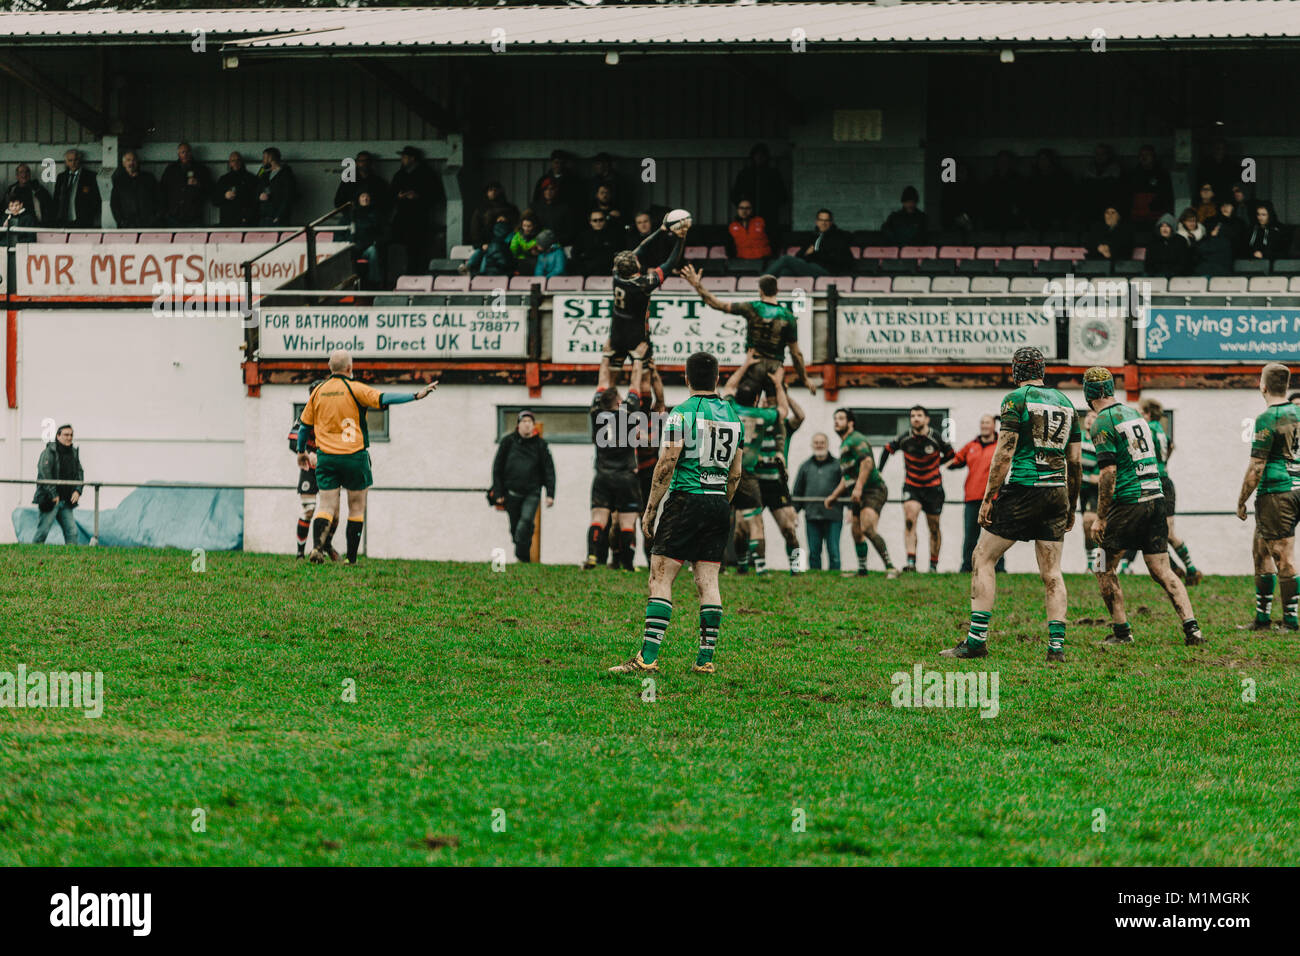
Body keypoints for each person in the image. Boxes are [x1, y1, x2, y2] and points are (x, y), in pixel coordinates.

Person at [608, 351, 743, 675]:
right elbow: (736, 473)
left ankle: (647, 658)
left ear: (686, 378)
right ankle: (704, 660)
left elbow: (667, 461)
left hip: (685, 500)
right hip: (718, 503)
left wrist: (651, 508)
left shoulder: (681, 414)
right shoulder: (733, 417)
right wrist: (720, 501)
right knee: (708, 580)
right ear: (717, 378)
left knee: (660, 576)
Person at [943, 347, 1080, 661]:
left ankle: (976, 641)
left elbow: (1004, 452)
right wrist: (1071, 504)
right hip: (1056, 491)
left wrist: (989, 497)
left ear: (1015, 371)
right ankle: (1056, 649)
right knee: (1052, 572)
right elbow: (1074, 462)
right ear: (1043, 371)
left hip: (1023, 489)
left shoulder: (1015, 400)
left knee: (982, 556)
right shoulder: (1067, 403)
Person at [1087, 368, 1204, 647]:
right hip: (1156, 500)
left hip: (1129, 503)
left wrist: (1101, 517)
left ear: (1088, 393)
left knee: (1102, 565)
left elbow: (1109, 473)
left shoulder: (1102, 421)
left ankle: (1122, 633)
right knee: (1161, 569)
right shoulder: (1133, 415)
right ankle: (1193, 630)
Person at [296, 351, 437, 565]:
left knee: (326, 506)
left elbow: (304, 426)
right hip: (354, 457)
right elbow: (384, 398)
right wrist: (415, 395)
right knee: (356, 507)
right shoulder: (356, 388)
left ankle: (316, 548)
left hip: (327, 458)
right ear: (350, 369)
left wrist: (301, 451)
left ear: (329, 367)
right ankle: (351, 559)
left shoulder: (318, 392)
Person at [680, 266, 815, 404]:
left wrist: (697, 285)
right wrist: (804, 379)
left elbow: (716, 304)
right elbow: (796, 354)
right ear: (777, 291)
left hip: (754, 365)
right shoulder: (788, 317)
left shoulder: (752, 308)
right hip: (775, 368)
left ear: (760, 290)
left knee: (744, 410)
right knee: (776, 413)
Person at [1237, 363, 1300, 631]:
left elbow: (1256, 467)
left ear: (1262, 385)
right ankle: (1262, 618)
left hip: (1277, 492)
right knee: (1260, 549)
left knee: (1281, 555)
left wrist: (1241, 499)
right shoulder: (1297, 412)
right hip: (1293, 487)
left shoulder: (1267, 417)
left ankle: (1290, 620)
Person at [607, 214, 688, 409]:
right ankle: (649, 411)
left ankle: (610, 408)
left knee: (611, 376)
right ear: (636, 267)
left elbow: (641, 249)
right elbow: (669, 265)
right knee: (646, 376)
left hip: (617, 334)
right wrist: (681, 238)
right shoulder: (643, 284)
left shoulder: (617, 275)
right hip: (637, 335)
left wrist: (661, 231)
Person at [723, 364, 788, 575]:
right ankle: (760, 566)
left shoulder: (729, 408)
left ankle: (715, 563)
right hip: (747, 473)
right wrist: (778, 384)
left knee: (721, 518)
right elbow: (784, 411)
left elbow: (728, 388)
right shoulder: (762, 415)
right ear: (755, 400)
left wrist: (746, 364)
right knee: (755, 521)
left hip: (724, 472)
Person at [586, 354, 645, 571]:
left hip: (603, 475)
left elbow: (603, 381)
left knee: (598, 518)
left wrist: (605, 357)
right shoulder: (628, 411)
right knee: (628, 522)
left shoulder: (595, 411)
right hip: (626, 476)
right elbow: (635, 383)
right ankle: (628, 564)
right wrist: (637, 360)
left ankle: (592, 557)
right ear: (618, 402)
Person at [879, 406, 955, 573]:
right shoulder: (905, 438)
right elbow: (887, 450)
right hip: (912, 485)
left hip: (933, 488)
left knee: (933, 526)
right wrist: (879, 472)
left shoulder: (936, 438)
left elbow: (951, 455)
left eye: (919, 415)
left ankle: (933, 565)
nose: (915, 418)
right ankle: (911, 562)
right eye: (913, 416)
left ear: (927, 419)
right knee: (910, 520)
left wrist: (937, 465)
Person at [823, 408, 897, 577]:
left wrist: (858, 487)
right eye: (835, 418)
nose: (836, 421)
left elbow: (868, 462)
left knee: (868, 528)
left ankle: (891, 567)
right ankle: (862, 570)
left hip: (873, 489)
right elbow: (848, 477)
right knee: (856, 531)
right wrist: (834, 496)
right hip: (859, 491)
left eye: (841, 418)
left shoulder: (856, 439)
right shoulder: (845, 443)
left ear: (850, 423)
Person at [1140, 398, 1201, 584]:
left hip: (1154, 482)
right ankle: (1184, 568)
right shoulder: (1162, 432)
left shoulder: (1147, 430)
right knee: (1163, 531)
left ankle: (1184, 569)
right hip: (1166, 480)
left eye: (1141, 413)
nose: (1140, 416)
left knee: (1154, 531)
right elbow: (1171, 447)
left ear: (1148, 414)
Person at [490, 410, 556, 564]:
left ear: (533, 426)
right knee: (515, 529)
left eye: (530, 422)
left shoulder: (541, 445)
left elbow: (549, 470)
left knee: (525, 522)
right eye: (524, 421)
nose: (527, 425)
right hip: (511, 492)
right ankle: (523, 556)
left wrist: (550, 494)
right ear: (518, 425)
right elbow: (497, 468)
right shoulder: (508, 442)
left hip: (532, 492)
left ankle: (522, 555)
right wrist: (498, 492)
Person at [287, 382, 338, 560]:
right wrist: (308, 455)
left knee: (333, 512)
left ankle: (324, 547)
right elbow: (293, 441)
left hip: (329, 469)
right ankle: (300, 553)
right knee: (308, 509)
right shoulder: (305, 414)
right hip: (310, 470)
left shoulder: (334, 414)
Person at [948, 414, 1004, 574]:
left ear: (994, 425)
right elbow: (955, 461)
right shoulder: (971, 445)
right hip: (972, 498)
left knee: (997, 535)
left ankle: (999, 568)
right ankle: (966, 567)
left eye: (987, 423)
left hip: (995, 499)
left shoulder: (1002, 444)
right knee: (970, 535)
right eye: (982, 423)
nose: (984, 426)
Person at [793, 432, 844, 571]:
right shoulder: (805, 467)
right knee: (814, 553)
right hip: (812, 516)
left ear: (827, 444)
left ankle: (835, 580)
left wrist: (851, 509)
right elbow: (798, 491)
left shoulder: (838, 465)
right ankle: (815, 579)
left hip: (833, 516)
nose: (819, 445)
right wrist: (794, 512)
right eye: (816, 442)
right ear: (812, 445)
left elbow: (847, 488)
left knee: (834, 552)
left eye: (822, 442)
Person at [389, 145, 438, 272]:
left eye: (405, 157)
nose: (402, 160)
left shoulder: (427, 174)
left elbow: (436, 195)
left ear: (413, 159)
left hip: (419, 218)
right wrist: (399, 196)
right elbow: (390, 195)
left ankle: (416, 275)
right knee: (397, 248)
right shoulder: (400, 175)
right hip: (402, 217)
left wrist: (418, 196)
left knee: (418, 250)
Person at [32, 424, 83, 545]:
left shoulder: (74, 453)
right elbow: (44, 473)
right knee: (42, 532)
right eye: (66, 434)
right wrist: (53, 494)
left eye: (71, 435)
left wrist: (78, 490)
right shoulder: (49, 452)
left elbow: (80, 473)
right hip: (51, 500)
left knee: (72, 532)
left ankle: (72, 560)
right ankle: (32, 557)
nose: (69, 437)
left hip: (66, 501)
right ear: (58, 436)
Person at [764, 208, 853, 277]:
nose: (823, 223)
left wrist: (815, 253)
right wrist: (807, 254)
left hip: (826, 270)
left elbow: (838, 259)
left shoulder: (838, 238)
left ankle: (761, 282)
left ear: (831, 222)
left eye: (826, 220)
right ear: (817, 222)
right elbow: (799, 255)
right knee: (784, 272)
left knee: (786, 259)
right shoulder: (812, 237)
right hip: (810, 267)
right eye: (821, 220)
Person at [729, 143, 787, 230]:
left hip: (769, 218)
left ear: (766, 157)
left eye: (762, 155)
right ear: (753, 157)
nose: (759, 158)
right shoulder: (745, 174)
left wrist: (771, 205)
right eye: (757, 155)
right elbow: (734, 195)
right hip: (748, 217)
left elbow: (783, 195)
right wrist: (744, 207)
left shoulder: (773, 174)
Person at [159, 142, 214, 227]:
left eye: (187, 152)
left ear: (191, 153)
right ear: (178, 154)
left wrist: (198, 184)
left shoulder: (201, 169)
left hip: (194, 216)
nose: (185, 155)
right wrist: (165, 212)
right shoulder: (171, 170)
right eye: (183, 152)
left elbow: (210, 189)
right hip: (173, 216)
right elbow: (162, 190)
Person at [109, 151, 160, 228]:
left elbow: (159, 199)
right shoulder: (119, 181)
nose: (131, 163)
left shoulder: (149, 178)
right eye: (128, 160)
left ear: (137, 162)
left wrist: (154, 219)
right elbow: (114, 204)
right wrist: (121, 222)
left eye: (134, 160)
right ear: (123, 164)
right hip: (127, 226)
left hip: (148, 225)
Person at [1079, 409, 1102, 572]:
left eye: (1094, 417)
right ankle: (1090, 565)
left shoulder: (1100, 441)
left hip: (1096, 490)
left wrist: (1084, 474)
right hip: (1081, 489)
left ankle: (1099, 564)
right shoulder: (1078, 437)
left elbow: (1097, 476)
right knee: (1086, 526)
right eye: (1088, 416)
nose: (1089, 419)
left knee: (1092, 523)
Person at [53, 149, 100, 227]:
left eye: (75, 160)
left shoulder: (90, 176)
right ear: (66, 162)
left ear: (80, 160)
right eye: (70, 160)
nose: (73, 163)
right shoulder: (61, 177)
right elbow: (56, 197)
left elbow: (96, 198)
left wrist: (90, 214)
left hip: (83, 220)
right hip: (63, 219)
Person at [571, 206, 622, 277]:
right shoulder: (583, 237)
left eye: (601, 220)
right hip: (587, 274)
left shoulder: (614, 236)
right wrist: (582, 271)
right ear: (590, 222)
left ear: (605, 220)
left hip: (608, 274)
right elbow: (575, 255)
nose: (598, 222)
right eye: (595, 220)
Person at [213, 152, 259, 227]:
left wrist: (248, 217)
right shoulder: (223, 179)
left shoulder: (251, 178)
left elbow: (256, 200)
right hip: (227, 221)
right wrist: (225, 196)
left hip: (247, 221)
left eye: (238, 160)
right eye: (233, 161)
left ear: (242, 162)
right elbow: (214, 200)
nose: (236, 163)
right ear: (229, 163)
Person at [468, 181, 519, 248]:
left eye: (495, 190)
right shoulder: (481, 210)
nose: (493, 192)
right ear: (486, 193)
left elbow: (518, 225)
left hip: (506, 243)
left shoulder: (511, 209)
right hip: (485, 244)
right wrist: (480, 245)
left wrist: (507, 220)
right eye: (490, 190)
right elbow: (475, 230)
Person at [256, 147, 297, 227]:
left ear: (271, 158)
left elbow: (288, 196)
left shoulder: (286, 174)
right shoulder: (264, 173)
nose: (263, 160)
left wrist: (280, 215)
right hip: (264, 216)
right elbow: (257, 188)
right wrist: (259, 196)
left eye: (265, 157)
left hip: (278, 217)